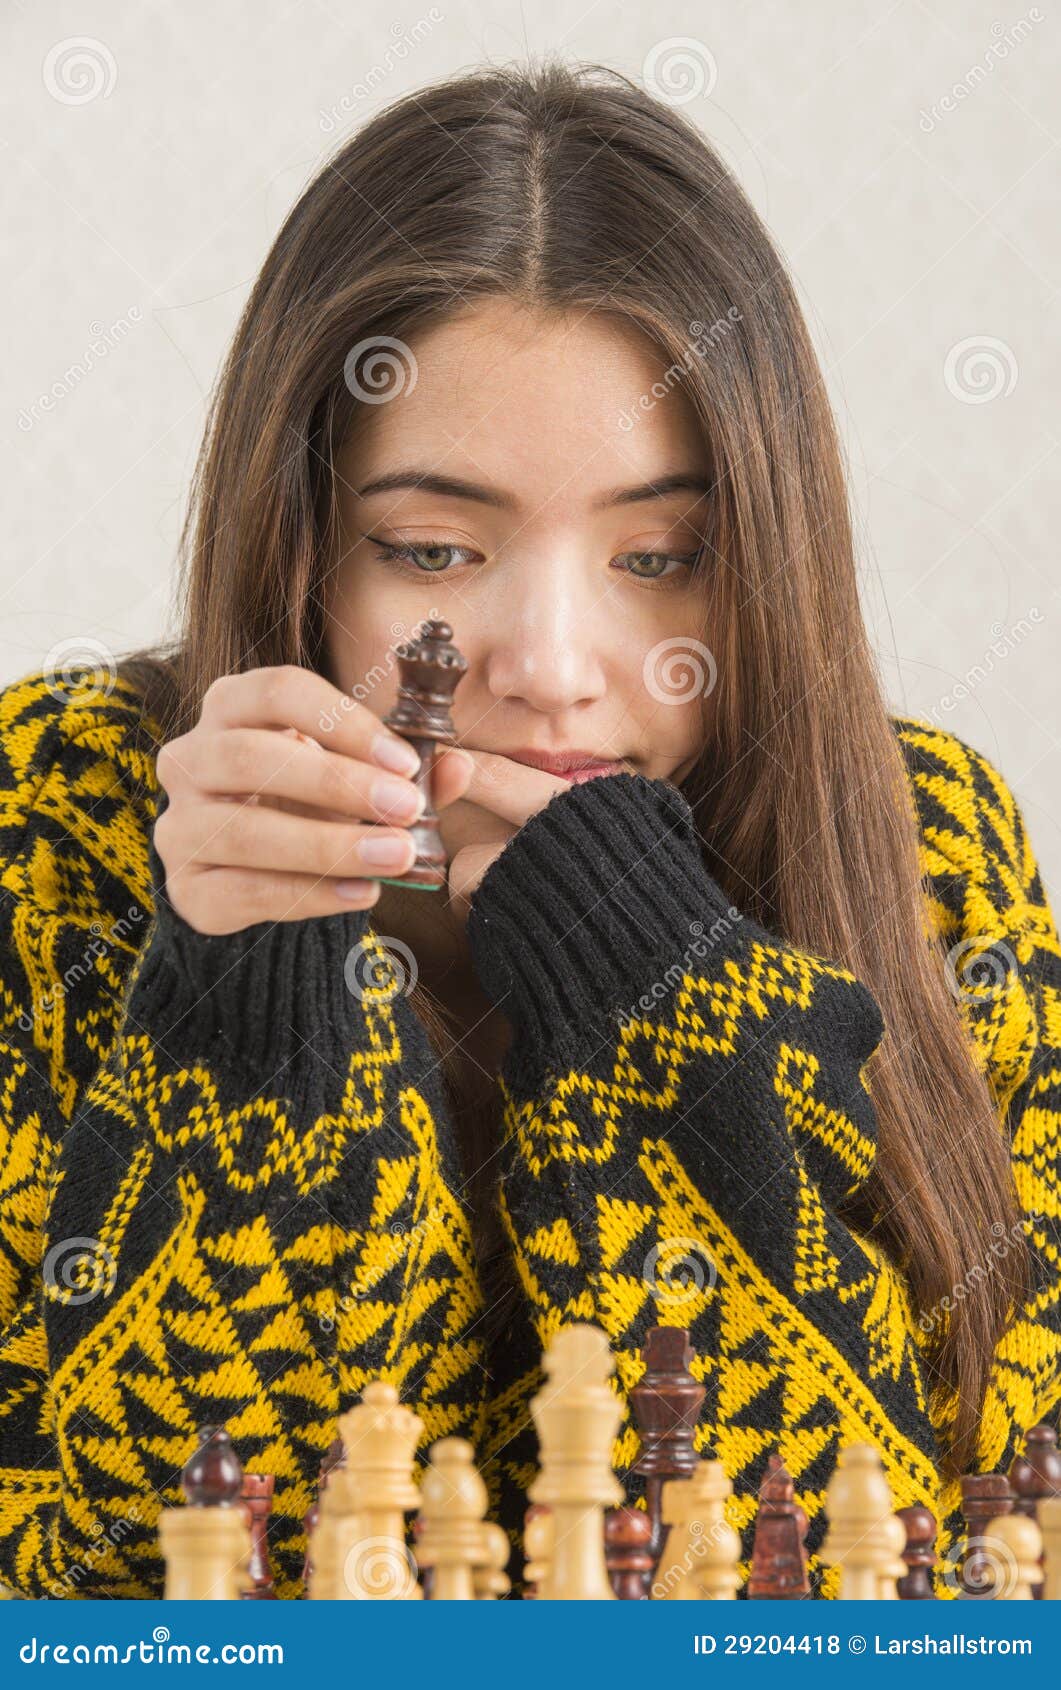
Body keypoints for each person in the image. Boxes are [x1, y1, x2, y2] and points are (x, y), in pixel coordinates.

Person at [0, 60, 1057, 1601]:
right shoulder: (60, 815)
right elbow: (136, 1602)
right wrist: (252, 1009)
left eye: (661, 556)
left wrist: (665, 1004)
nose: (549, 666)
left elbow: (879, 1591)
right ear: (296, 546)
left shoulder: (924, 845)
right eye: (433, 548)